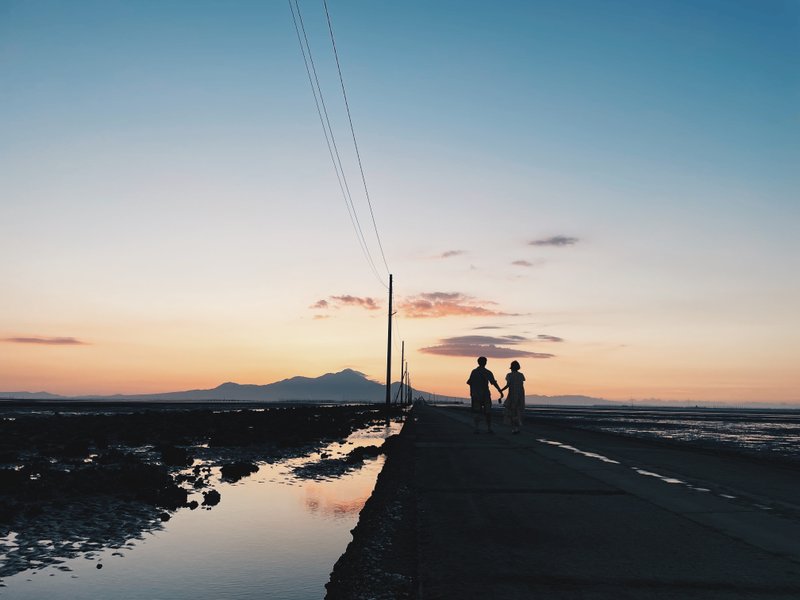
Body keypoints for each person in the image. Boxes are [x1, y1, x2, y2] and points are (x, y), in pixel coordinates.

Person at [466, 356, 503, 433]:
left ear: (478, 362)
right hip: (485, 395)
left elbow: (469, 382)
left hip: (475, 395)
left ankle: (476, 428)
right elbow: (494, 382)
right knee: (488, 412)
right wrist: (500, 391)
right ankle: (489, 428)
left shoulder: (474, 372)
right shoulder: (487, 372)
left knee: (477, 412)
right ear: (485, 362)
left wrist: (472, 392)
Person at [500, 360, 525, 434]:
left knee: (512, 412)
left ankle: (514, 428)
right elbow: (521, 386)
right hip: (520, 395)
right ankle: (516, 428)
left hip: (512, 395)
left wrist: (501, 390)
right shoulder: (521, 375)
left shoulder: (509, 375)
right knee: (518, 412)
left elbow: (508, 385)